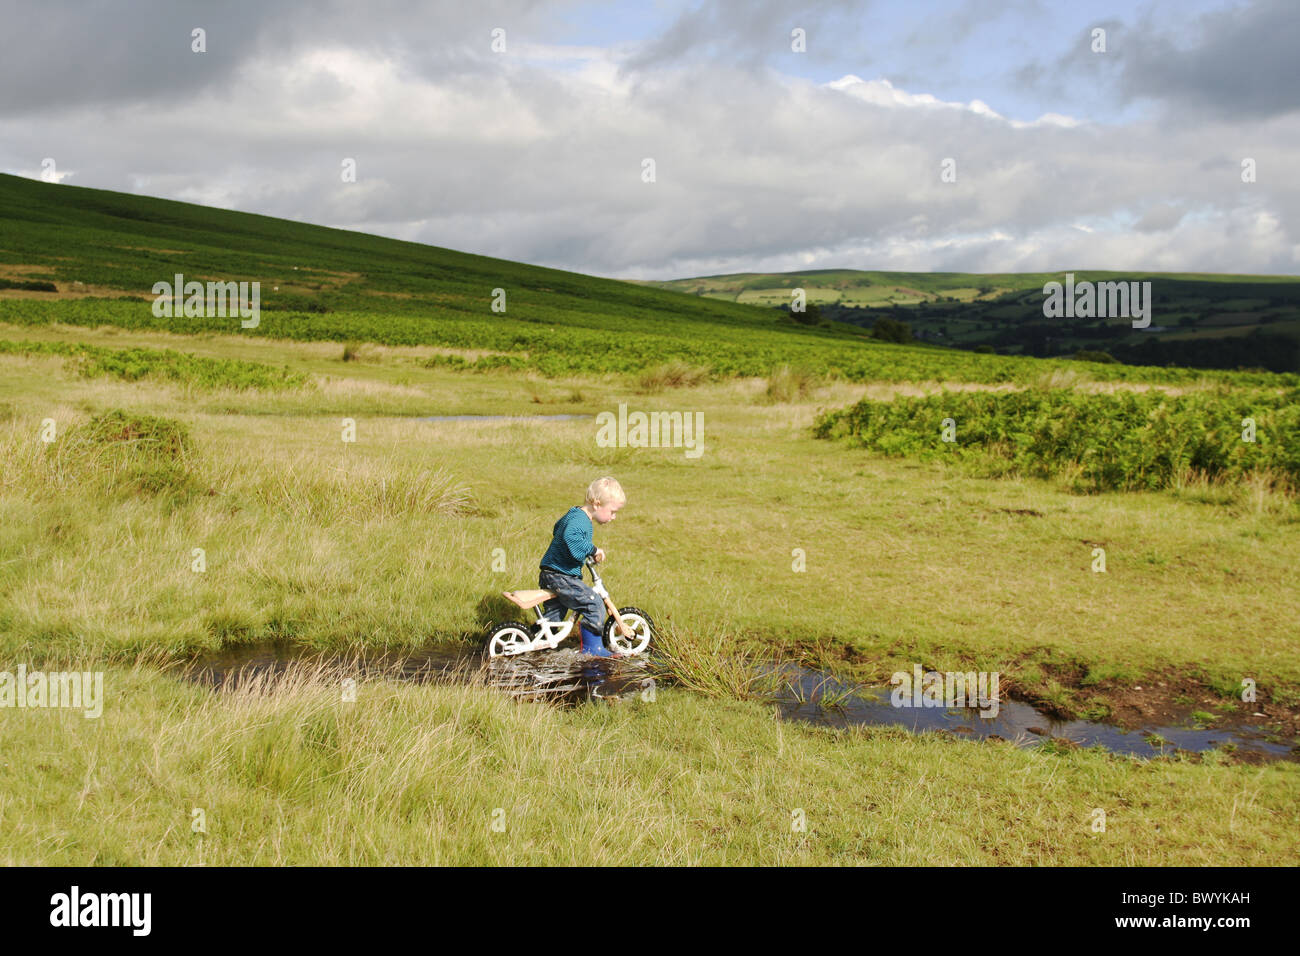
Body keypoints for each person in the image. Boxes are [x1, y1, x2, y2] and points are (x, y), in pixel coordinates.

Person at [538, 476, 626, 657]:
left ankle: (539, 642)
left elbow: (558, 529)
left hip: (550, 572)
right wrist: (592, 550)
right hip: (561, 576)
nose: (613, 517)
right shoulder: (581, 521)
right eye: (612, 511)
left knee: (554, 616)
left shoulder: (574, 513)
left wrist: (577, 552)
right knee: (593, 603)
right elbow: (571, 537)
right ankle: (592, 650)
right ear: (597, 504)